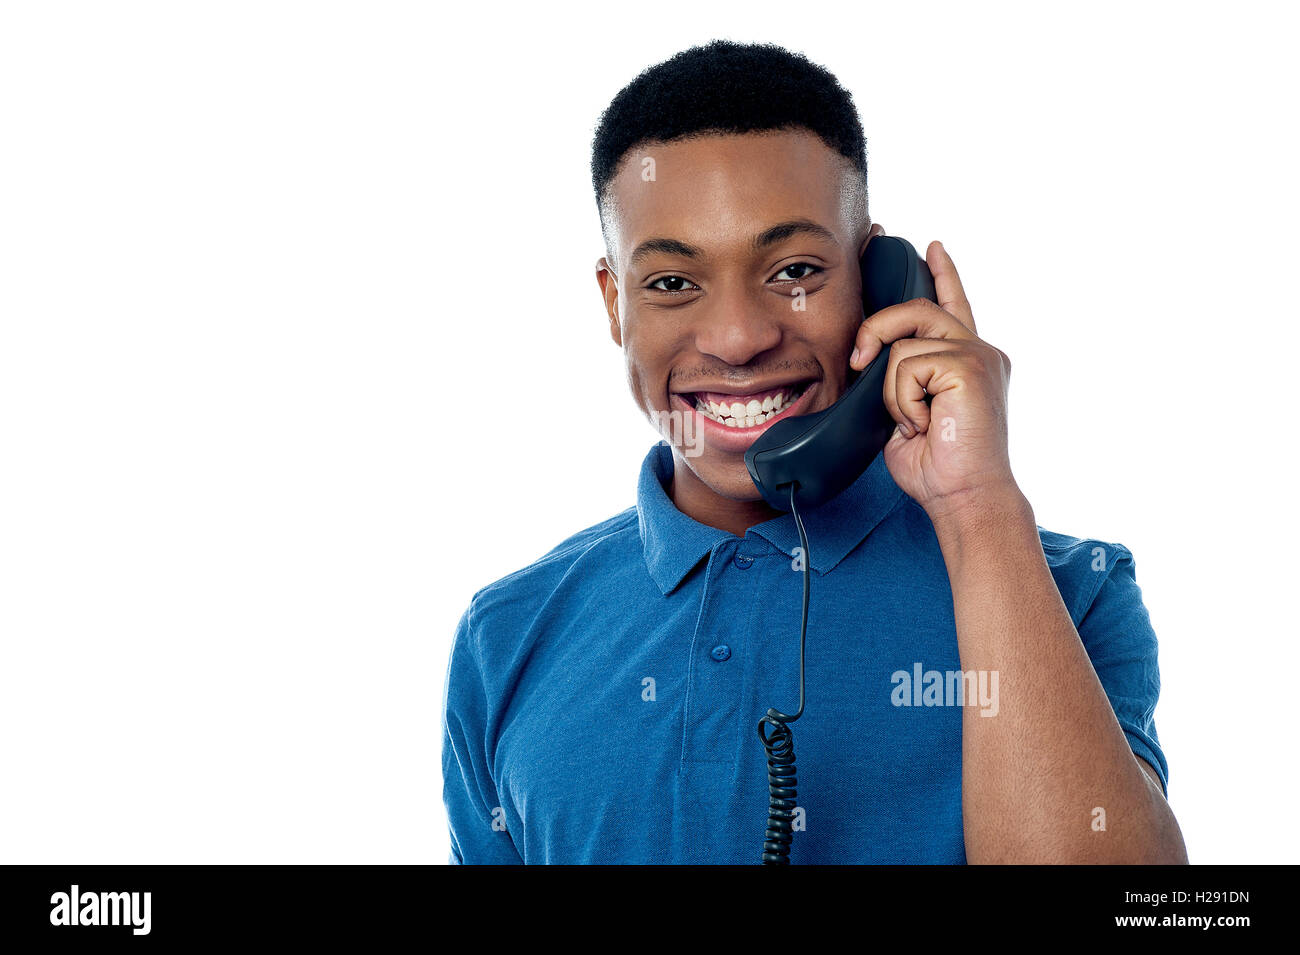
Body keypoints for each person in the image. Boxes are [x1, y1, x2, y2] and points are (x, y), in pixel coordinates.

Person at [441, 39, 1188, 864]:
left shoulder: (1070, 593)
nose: (737, 339)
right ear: (615, 304)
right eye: (671, 283)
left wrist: (978, 507)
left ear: (877, 282)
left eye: (794, 270)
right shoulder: (506, 637)